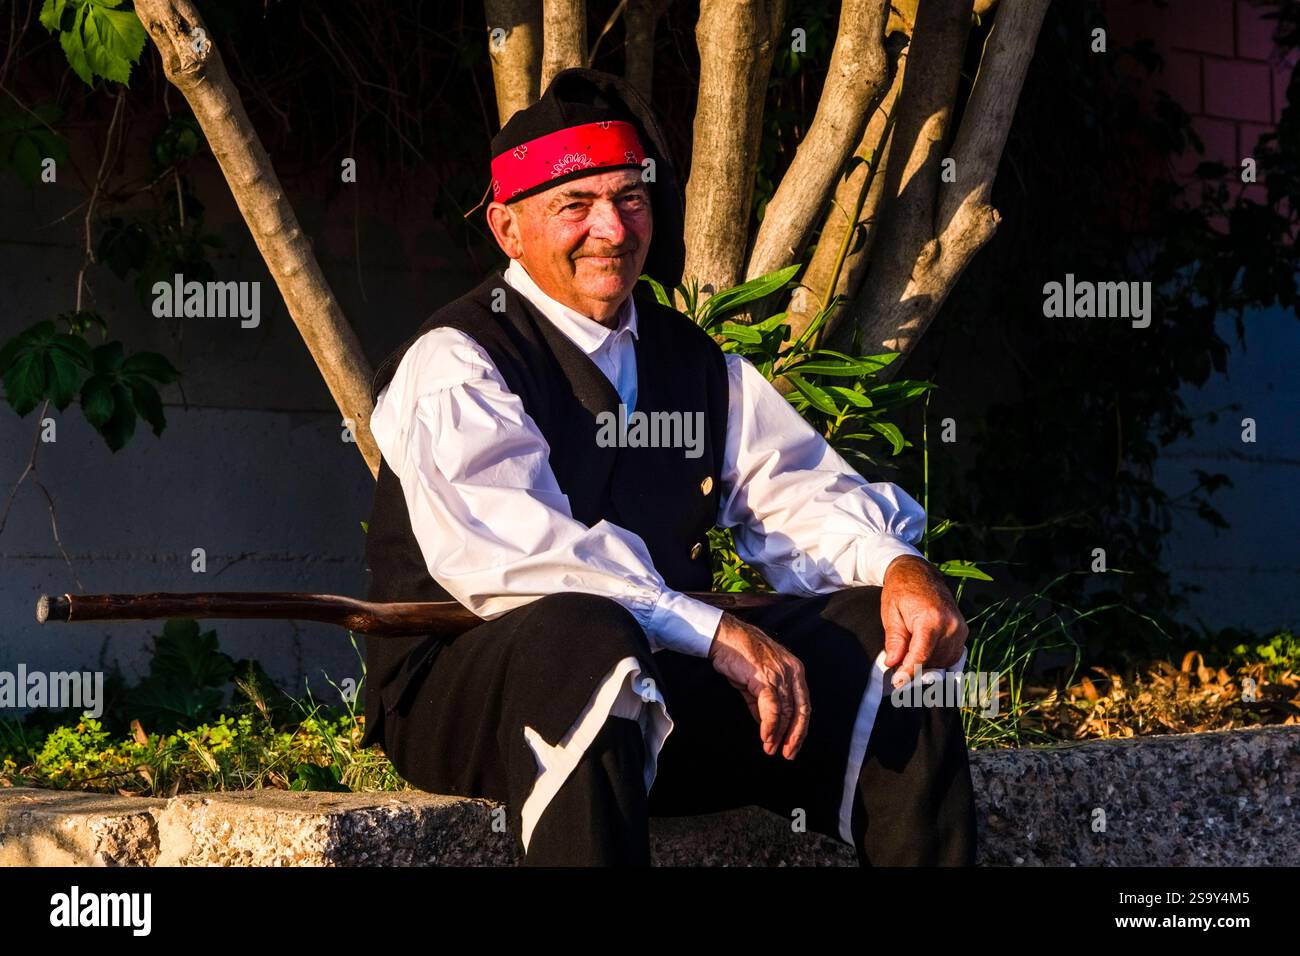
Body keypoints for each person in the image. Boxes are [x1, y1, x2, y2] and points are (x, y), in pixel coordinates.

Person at [359, 67, 977, 866]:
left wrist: (896, 564)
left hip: (654, 681)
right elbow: (520, 558)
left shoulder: (692, 362)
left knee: (883, 641)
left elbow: (794, 491)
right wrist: (712, 629)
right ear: (508, 229)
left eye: (630, 199)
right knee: (584, 632)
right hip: (470, 694)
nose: (612, 230)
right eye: (574, 206)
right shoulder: (458, 361)